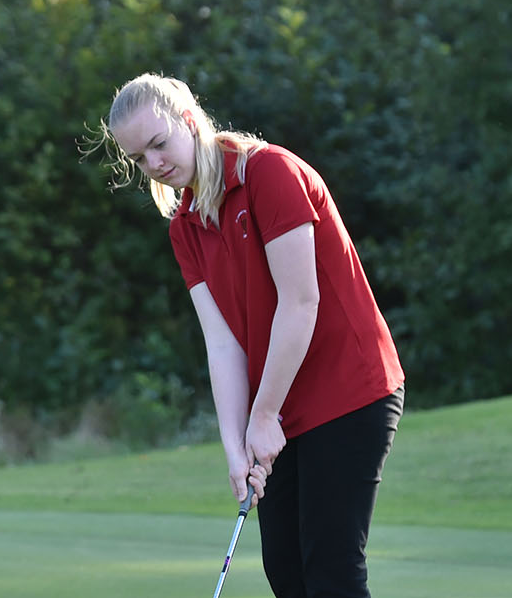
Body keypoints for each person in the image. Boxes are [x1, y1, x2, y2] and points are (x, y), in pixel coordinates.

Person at [100, 72, 406, 598]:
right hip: (281, 407)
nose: (154, 164)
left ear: (189, 121)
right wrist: (235, 445)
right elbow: (223, 344)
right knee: (286, 575)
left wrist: (262, 417)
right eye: (139, 158)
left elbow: (300, 302)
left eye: (158, 144)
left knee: (332, 577)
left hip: (349, 390)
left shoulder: (270, 173)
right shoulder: (186, 227)